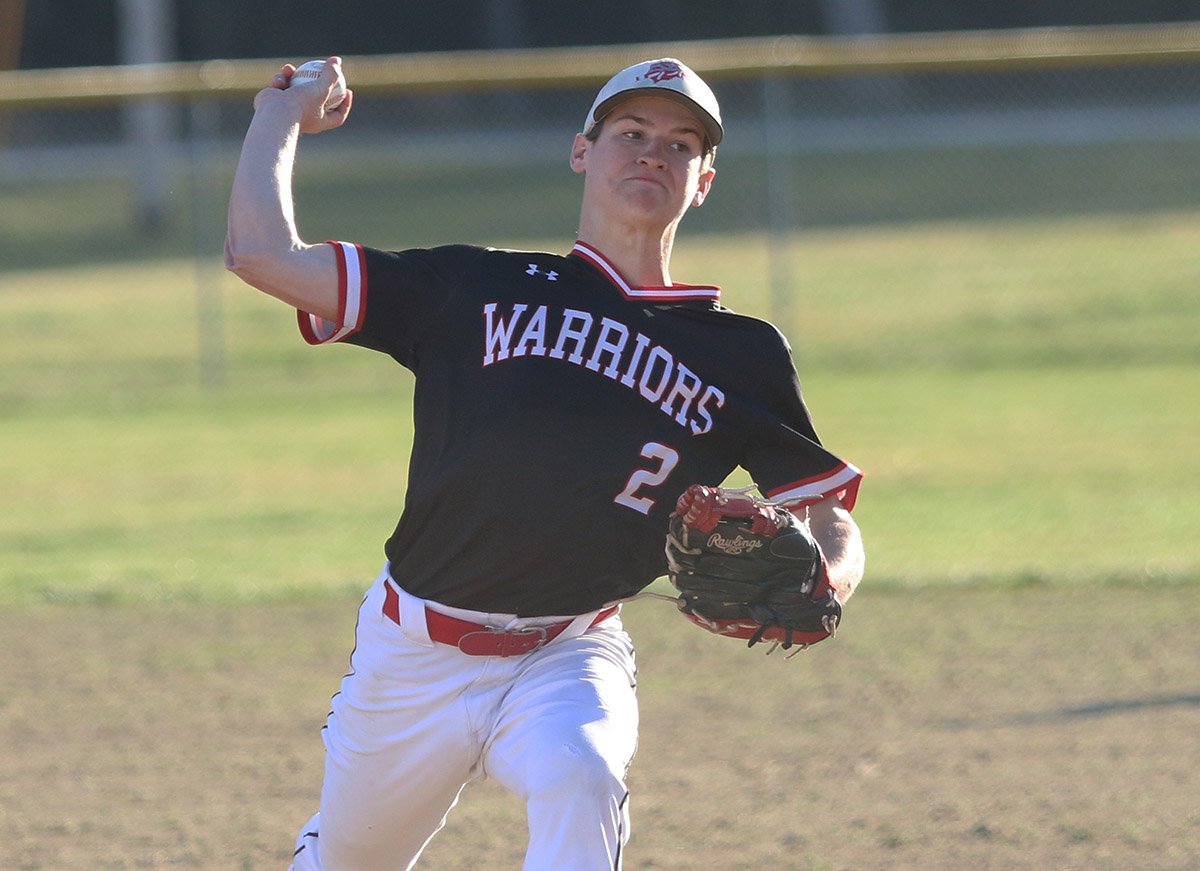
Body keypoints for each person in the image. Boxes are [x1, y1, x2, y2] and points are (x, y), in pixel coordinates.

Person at [226, 54, 865, 871]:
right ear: (581, 152)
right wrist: (277, 117)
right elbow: (260, 253)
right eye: (630, 133)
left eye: (679, 144)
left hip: (569, 651)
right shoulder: (473, 287)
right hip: (412, 655)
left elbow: (826, 511)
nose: (652, 154)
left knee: (582, 775)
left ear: (703, 181)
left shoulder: (740, 355)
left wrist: (829, 577)